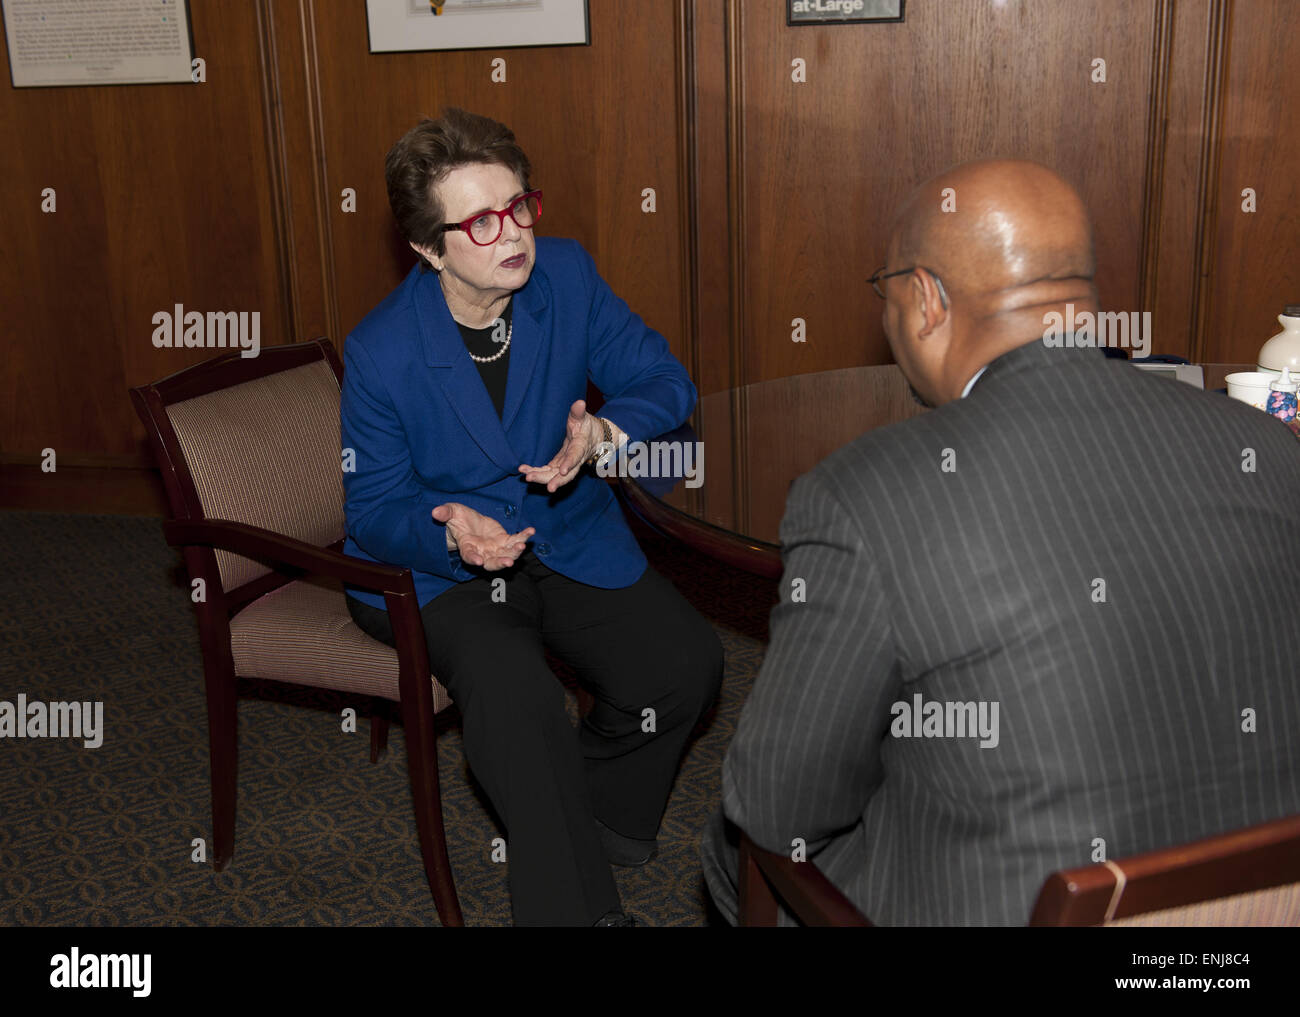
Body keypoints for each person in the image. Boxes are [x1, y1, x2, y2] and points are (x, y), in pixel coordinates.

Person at [701, 158, 1300, 926]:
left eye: (883, 292)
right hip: (1242, 924)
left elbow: (780, 801)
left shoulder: (864, 493)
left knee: (731, 844)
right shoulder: (1270, 445)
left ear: (924, 299)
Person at [342, 108, 722, 927]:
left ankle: (602, 816)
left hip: (565, 529)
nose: (512, 232)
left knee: (686, 662)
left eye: (519, 206)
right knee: (518, 702)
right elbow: (372, 509)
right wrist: (449, 528)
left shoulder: (568, 277)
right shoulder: (382, 350)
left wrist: (607, 433)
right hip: (446, 569)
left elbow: (665, 378)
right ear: (426, 247)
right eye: (480, 221)